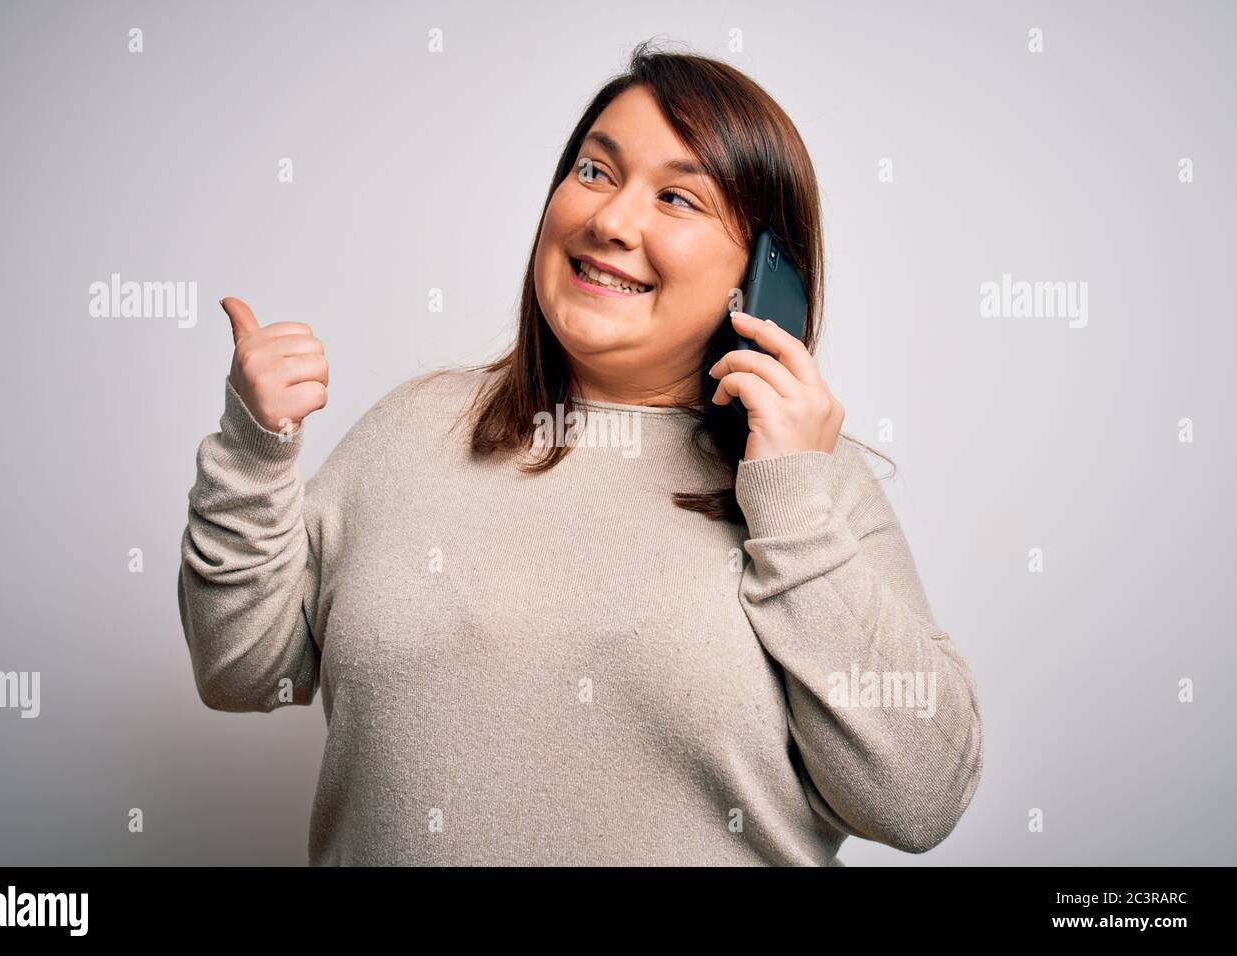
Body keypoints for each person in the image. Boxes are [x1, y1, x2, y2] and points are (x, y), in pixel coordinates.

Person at [177, 41, 982, 866]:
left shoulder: (811, 487)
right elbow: (241, 667)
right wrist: (252, 451)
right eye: (596, 173)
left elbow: (917, 800)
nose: (610, 221)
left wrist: (793, 503)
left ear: (764, 275)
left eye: (677, 197)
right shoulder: (411, 429)